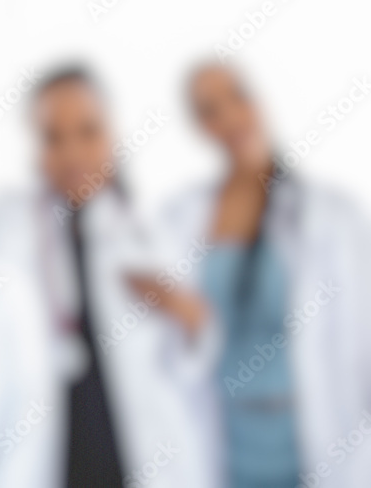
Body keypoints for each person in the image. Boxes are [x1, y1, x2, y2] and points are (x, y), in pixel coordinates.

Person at [0, 65, 209, 487]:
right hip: (47, 463)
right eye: (54, 137)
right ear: (34, 146)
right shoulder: (3, 227)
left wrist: (188, 317)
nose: (72, 153)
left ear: (112, 135)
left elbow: (191, 372)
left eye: (88, 132)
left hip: (135, 461)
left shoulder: (149, 234)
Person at [158, 62, 371, 488]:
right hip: (225, 448)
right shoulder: (180, 220)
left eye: (236, 96)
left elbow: (359, 341)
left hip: (313, 443)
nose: (229, 116)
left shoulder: (330, 216)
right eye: (209, 109)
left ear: (258, 100)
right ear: (199, 126)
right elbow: (170, 358)